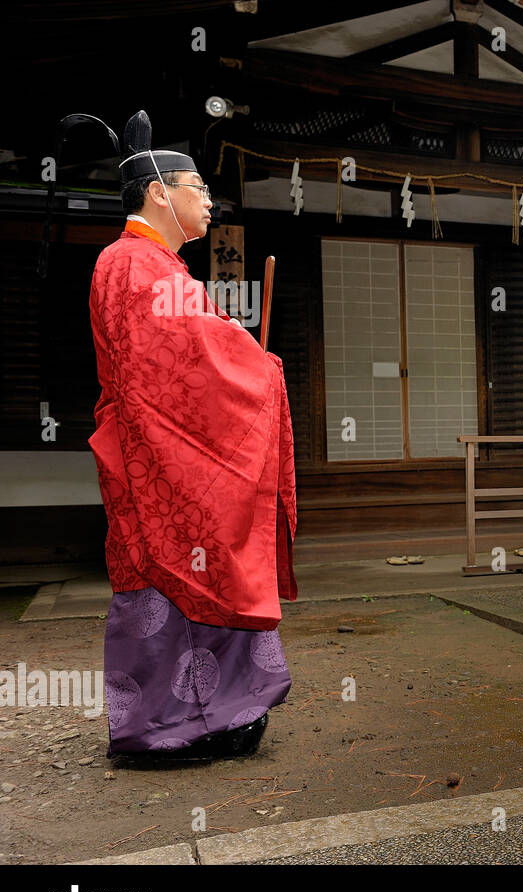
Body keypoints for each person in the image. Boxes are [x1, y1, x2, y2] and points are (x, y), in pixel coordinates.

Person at [88, 110, 297, 758]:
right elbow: (177, 366)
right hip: (154, 459)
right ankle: (158, 728)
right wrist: (256, 370)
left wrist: (246, 363)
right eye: (198, 187)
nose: (209, 199)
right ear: (159, 191)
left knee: (207, 571)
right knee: (163, 584)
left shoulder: (159, 267)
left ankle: (213, 717)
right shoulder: (133, 264)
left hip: (172, 455)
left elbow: (195, 354)